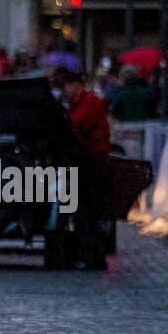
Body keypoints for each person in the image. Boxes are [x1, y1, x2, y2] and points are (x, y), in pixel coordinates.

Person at [62, 69, 112, 270]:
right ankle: (91, 256)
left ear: (76, 85)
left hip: (92, 165)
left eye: (65, 86)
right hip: (88, 164)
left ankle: (92, 257)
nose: (64, 91)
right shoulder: (79, 104)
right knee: (85, 213)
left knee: (86, 214)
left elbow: (76, 126)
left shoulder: (89, 103)